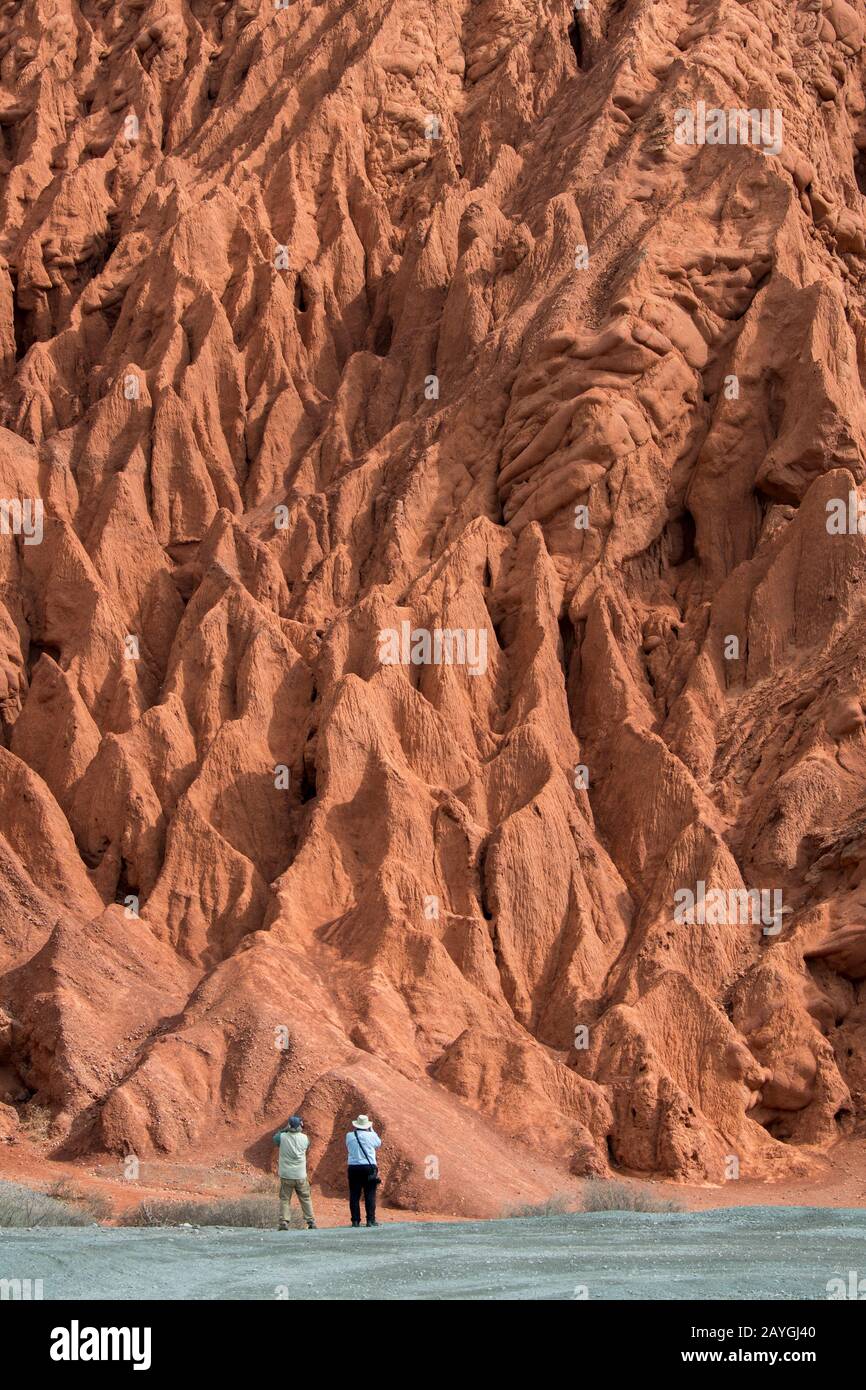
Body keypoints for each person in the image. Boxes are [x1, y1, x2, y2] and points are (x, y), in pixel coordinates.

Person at [273, 1115, 317, 1229]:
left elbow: (275, 1138)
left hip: (286, 1175)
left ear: (289, 1125)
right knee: (306, 1198)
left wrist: (285, 1129)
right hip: (300, 1175)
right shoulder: (305, 1138)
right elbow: (307, 1146)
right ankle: (311, 1221)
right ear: (300, 1125)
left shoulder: (282, 1137)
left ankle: (284, 1222)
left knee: (285, 1199)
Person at [346, 1113, 382, 1227]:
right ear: (367, 1126)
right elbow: (378, 1143)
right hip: (368, 1167)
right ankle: (370, 1220)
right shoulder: (371, 1136)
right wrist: (372, 1130)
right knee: (370, 1194)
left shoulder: (349, 1136)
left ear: (356, 1125)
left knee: (354, 1195)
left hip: (353, 1167)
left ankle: (355, 1221)